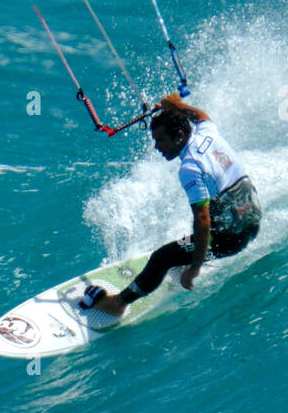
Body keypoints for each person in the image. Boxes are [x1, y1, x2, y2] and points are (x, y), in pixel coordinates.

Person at [80, 94, 262, 317]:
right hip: (252, 219)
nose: (157, 147)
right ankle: (186, 255)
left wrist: (194, 269)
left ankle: (117, 304)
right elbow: (201, 115)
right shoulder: (208, 134)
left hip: (232, 238)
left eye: (161, 140)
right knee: (189, 238)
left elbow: (202, 221)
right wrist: (177, 106)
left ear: (179, 135)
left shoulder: (190, 168)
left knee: (161, 256)